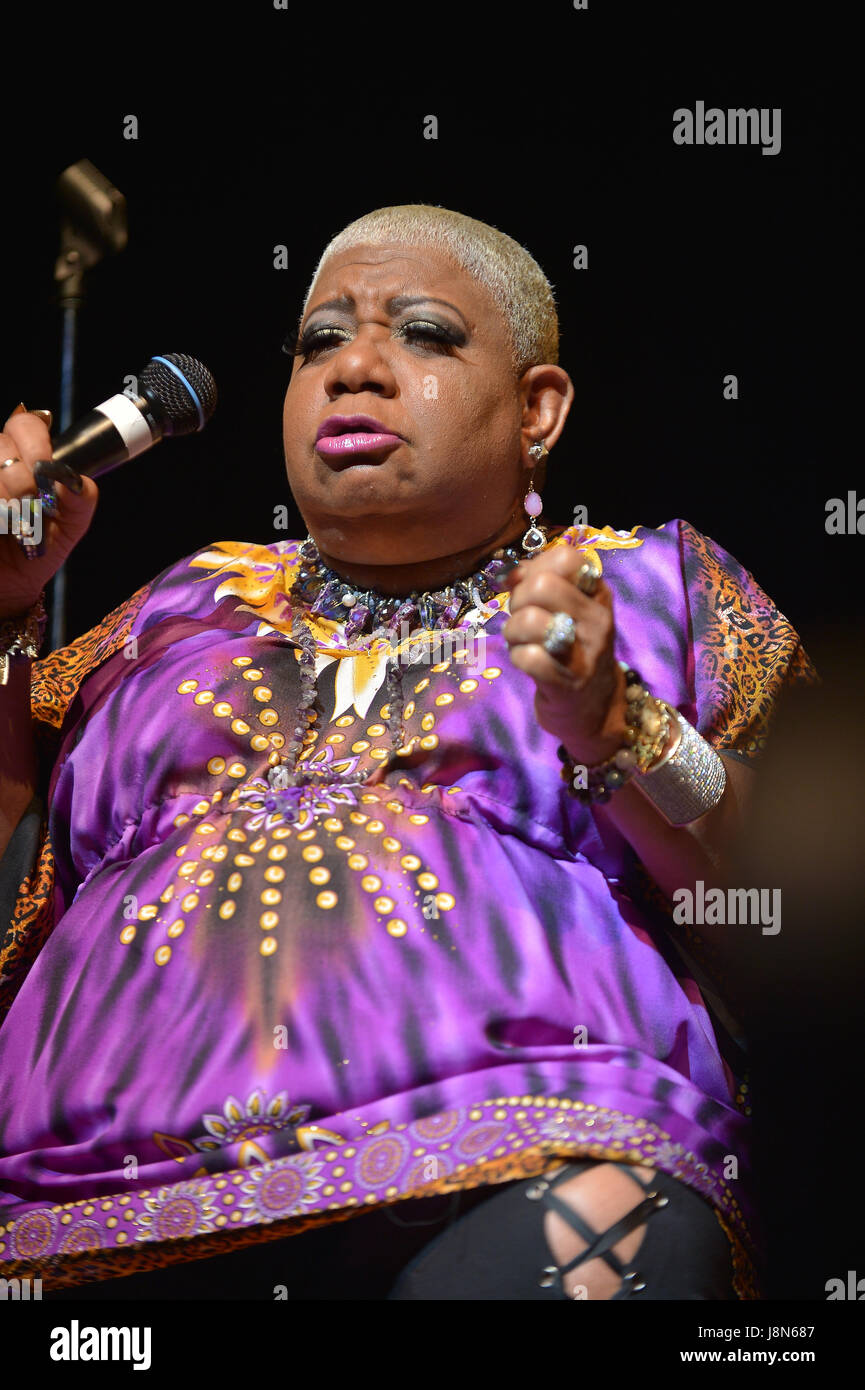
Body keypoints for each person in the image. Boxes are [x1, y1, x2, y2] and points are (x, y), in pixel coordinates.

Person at [0, 204, 817, 1301]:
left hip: (516, 1157)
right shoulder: (171, 609)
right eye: (319, 341)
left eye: (424, 333)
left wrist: (618, 727)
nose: (356, 370)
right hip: (74, 1209)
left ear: (538, 408)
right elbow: (18, 882)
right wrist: (4, 611)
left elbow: (799, 922)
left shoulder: (654, 593)